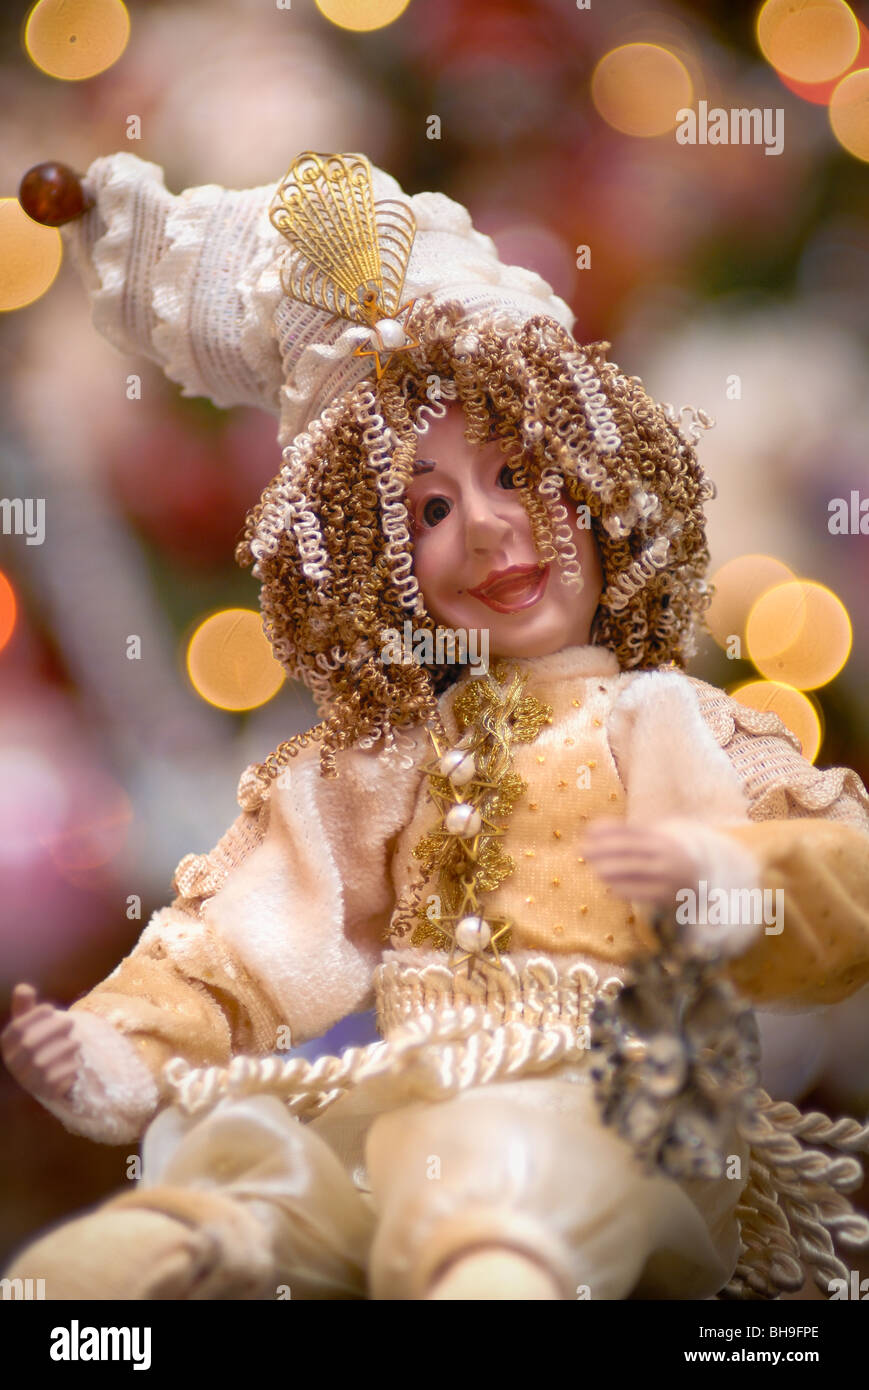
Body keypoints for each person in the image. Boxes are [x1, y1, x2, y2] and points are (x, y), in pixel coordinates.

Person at [3, 152, 869, 1300]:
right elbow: (252, 933)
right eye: (428, 507)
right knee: (228, 1196)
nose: (489, 531)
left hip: (610, 1104)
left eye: (519, 472)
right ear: (378, 565)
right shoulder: (384, 766)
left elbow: (840, 881)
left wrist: (722, 878)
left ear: (600, 476)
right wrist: (117, 1047)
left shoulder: (665, 718)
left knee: (499, 1189)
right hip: (408, 1102)